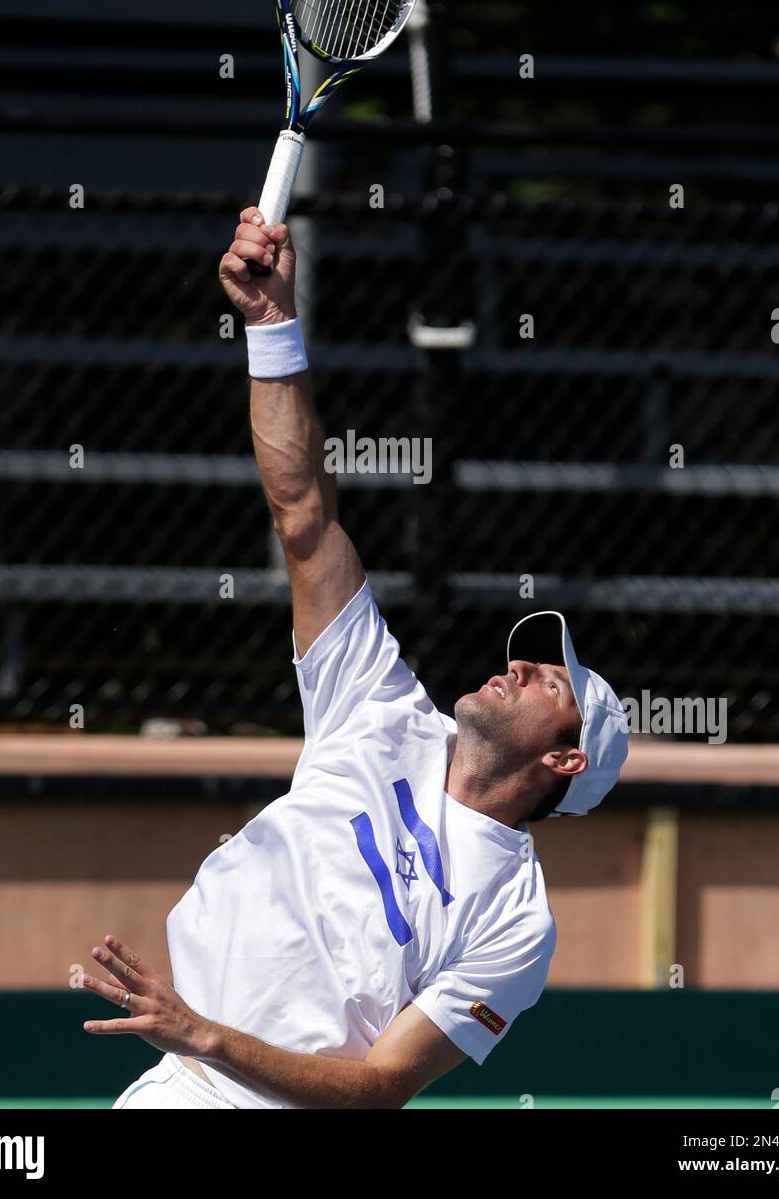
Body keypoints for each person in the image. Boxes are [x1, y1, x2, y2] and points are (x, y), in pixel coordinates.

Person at [84, 210, 628, 1109]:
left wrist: (206, 1034)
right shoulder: (375, 701)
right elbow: (305, 516)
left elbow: (379, 1088)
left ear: (563, 759)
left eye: (551, 681)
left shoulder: (517, 921)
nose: (522, 667)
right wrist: (271, 327)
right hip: (176, 1086)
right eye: (532, 659)